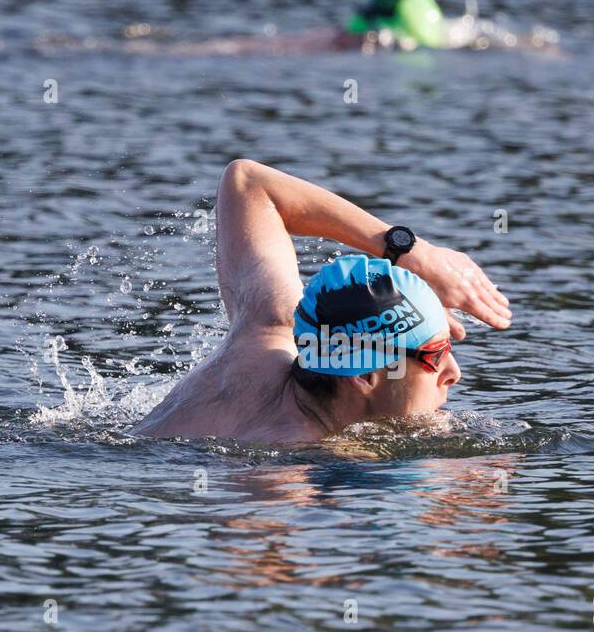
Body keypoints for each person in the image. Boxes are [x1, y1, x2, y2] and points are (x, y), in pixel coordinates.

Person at [135, 160, 512, 442]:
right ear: (364, 374)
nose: (454, 373)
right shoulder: (290, 461)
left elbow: (248, 182)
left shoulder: (269, 329)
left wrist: (412, 252)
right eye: (434, 355)